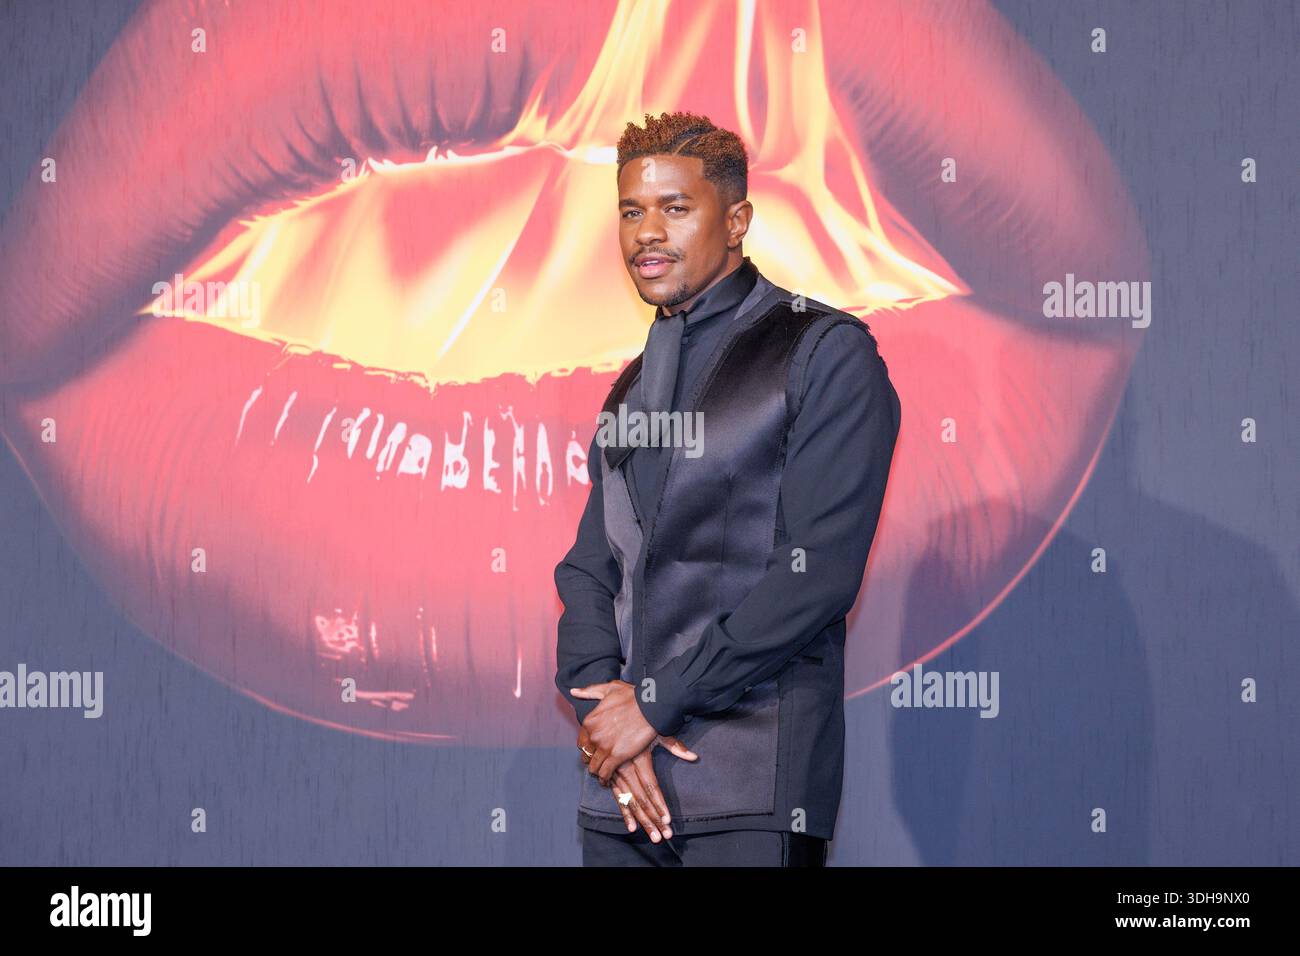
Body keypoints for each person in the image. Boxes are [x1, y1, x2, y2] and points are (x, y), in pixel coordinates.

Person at [554, 111, 901, 867]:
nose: (648, 232)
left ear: (738, 219)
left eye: (675, 209)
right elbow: (590, 569)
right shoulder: (632, 388)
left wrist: (652, 705)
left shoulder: (821, 351)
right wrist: (606, 707)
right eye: (631, 211)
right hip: (621, 789)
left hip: (752, 781)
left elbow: (816, 577)